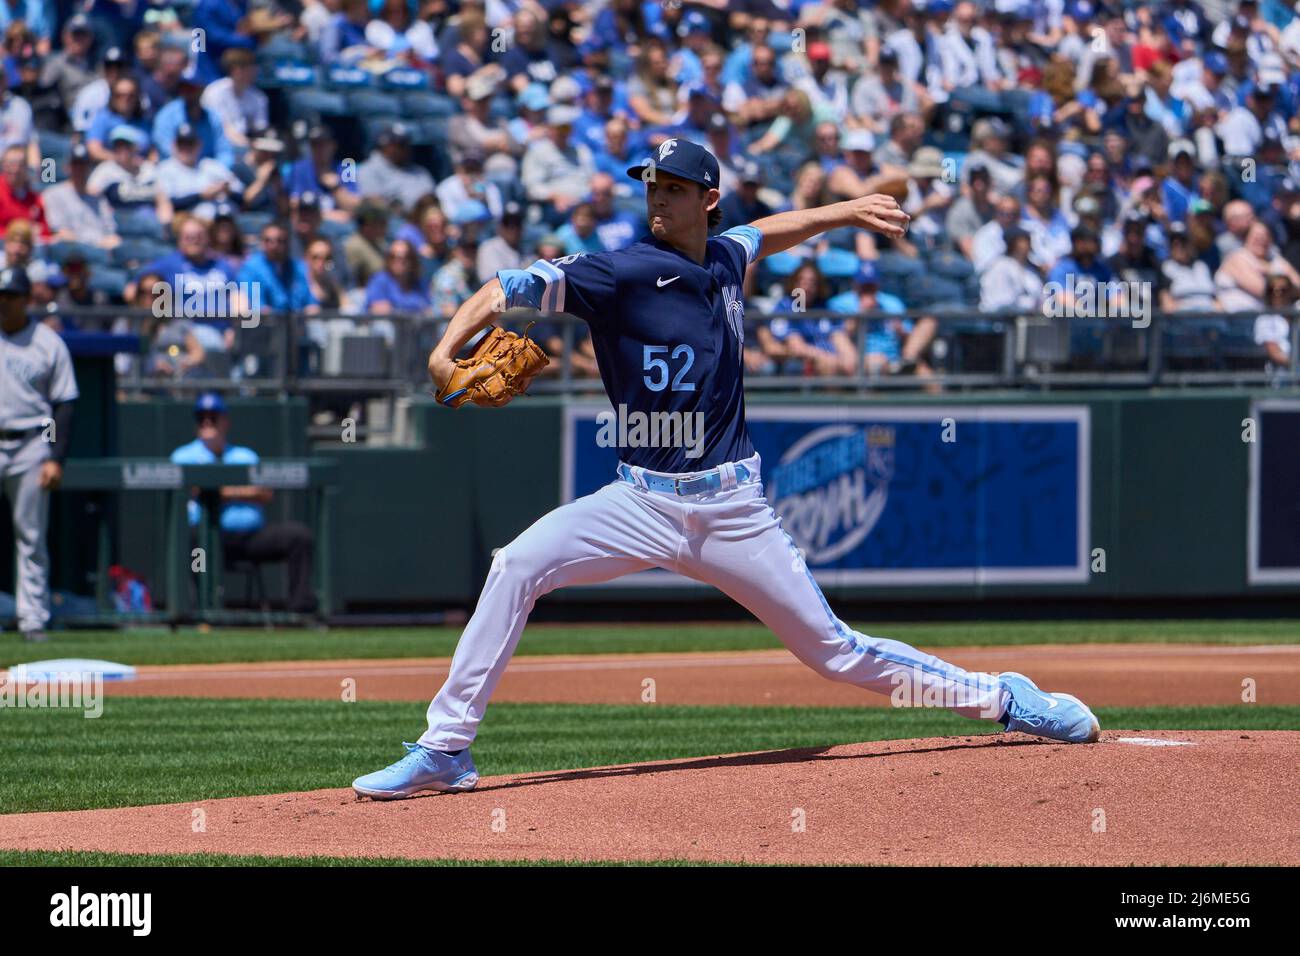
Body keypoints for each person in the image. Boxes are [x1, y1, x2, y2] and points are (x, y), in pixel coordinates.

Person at [352, 136, 1101, 800]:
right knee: (515, 564)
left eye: (673, 188)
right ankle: (446, 749)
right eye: (651, 185)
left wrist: (844, 211)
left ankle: (1004, 699)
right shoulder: (620, 272)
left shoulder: (724, 256)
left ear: (707, 200)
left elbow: (768, 231)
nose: (658, 198)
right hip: (637, 501)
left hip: (731, 510)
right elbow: (504, 288)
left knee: (834, 653)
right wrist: (445, 349)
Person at [170, 392, 318, 616]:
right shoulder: (184, 455)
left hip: (251, 537)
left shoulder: (244, 456)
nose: (208, 422)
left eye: (213, 417)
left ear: (225, 421)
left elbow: (265, 492)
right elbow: (195, 490)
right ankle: (200, 609)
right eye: (202, 418)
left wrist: (223, 491)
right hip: (207, 538)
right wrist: (240, 491)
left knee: (299, 536)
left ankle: (300, 611)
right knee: (193, 546)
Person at [0, 266, 77, 642]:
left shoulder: (47, 341)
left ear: (26, 299)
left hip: (32, 441)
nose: (3, 302)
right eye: (0, 295)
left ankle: (32, 620)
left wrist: (53, 457)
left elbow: (63, 404)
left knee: (30, 535)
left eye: (11, 296)